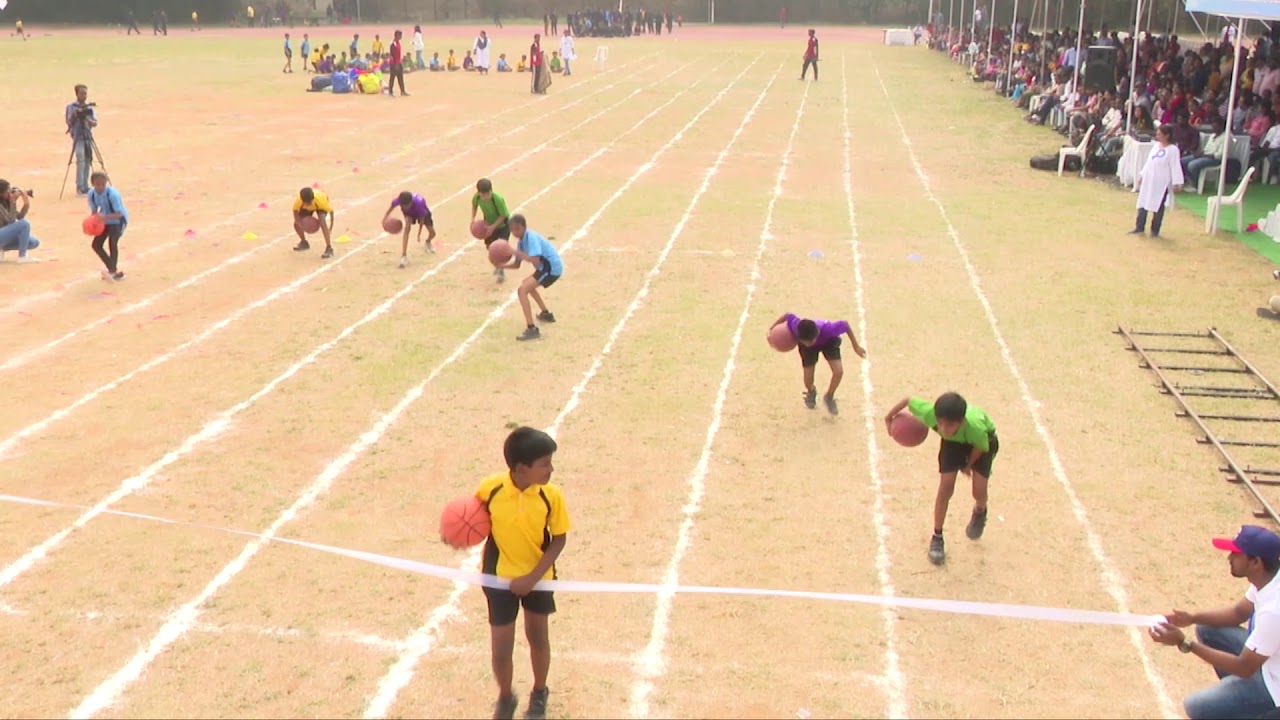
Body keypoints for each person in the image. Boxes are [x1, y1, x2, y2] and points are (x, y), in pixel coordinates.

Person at [471, 426, 569, 720]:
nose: (551, 469)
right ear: (521, 468)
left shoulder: (551, 496)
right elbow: (474, 522)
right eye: (545, 464)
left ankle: (539, 692)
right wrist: (456, 535)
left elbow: (559, 538)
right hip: (498, 579)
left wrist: (532, 578)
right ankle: (505, 696)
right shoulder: (490, 489)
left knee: (538, 638)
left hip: (538, 580)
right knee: (501, 648)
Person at [1150, 525, 1280, 720]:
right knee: (1207, 628)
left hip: (1273, 686)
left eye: (1236, 554)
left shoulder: (1274, 611)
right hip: (1266, 662)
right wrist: (1192, 617)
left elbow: (1244, 667)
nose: (1229, 557)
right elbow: (1238, 612)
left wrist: (1184, 643)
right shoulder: (1269, 579)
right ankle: (1238, 699)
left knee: (1197, 707)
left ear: (1256, 562)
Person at [882, 392, 998, 566]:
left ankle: (980, 510)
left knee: (979, 491)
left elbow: (982, 446)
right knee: (945, 489)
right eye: (940, 423)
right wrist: (888, 417)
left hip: (981, 446)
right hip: (953, 444)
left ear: (962, 422)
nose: (943, 429)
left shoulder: (976, 428)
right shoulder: (931, 415)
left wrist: (967, 466)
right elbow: (908, 400)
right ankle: (937, 537)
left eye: (950, 425)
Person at [766, 313, 866, 415]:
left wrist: (856, 346)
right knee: (808, 380)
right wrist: (772, 329)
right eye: (807, 342)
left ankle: (829, 396)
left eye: (812, 340)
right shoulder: (795, 326)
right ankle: (811, 391)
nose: (811, 342)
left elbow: (845, 325)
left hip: (829, 342)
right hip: (808, 350)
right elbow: (787, 315)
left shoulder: (828, 329)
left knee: (838, 371)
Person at [500, 214, 562, 342]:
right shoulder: (521, 243)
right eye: (512, 230)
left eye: (517, 229)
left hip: (551, 267)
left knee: (522, 290)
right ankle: (546, 314)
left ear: (524, 227)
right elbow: (517, 265)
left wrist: (515, 252)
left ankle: (532, 328)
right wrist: (501, 266)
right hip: (544, 267)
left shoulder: (531, 237)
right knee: (526, 285)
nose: (515, 232)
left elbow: (535, 259)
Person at [1131, 123, 1184, 239]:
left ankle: (1155, 230)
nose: (1157, 136)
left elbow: (1175, 166)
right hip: (1150, 178)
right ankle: (1139, 226)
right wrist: (1142, 175)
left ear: (1167, 136)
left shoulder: (1173, 150)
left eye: (1159, 134)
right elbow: (1149, 161)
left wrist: (1176, 183)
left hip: (1161, 181)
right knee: (1143, 202)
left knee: (1158, 205)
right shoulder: (1156, 146)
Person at [87, 172, 129, 281]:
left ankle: (113, 271)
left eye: (102, 184)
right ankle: (112, 269)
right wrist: (93, 222)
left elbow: (119, 214)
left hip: (119, 220)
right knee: (96, 244)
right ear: (92, 184)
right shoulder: (91, 194)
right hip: (106, 221)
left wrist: (103, 218)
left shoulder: (112, 194)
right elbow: (94, 210)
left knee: (112, 242)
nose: (100, 187)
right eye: (97, 184)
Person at [471, 178, 512, 282]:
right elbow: (474, 206)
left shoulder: (497, 199)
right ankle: (498, 265)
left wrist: (492, 227)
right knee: (490, 247)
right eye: (482, 195)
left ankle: (501, 271)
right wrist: (472, 220)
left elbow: (503, 215)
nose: (485, 197)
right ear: (479, 193)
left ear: (491, 191)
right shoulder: (477, 198)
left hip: (503, 226)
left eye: (487, 194)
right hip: (488, 224)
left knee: (500, 248)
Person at [383, 190, 436, 267]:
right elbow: (391, 208)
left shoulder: (419, 203)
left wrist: (419, 233)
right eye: (403, 206)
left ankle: (428, 241)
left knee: (433, 233)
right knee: (407, 228)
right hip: (409, 214)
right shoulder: (397, 200)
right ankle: (404, 256)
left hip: (422, 214)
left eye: (407, 205)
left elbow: (422, 219)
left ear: (411, 202)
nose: (405, 207)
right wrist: (384, 219)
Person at [65, 84, 99, 198]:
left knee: (88, 159)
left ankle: (85, 185)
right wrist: (76, 115)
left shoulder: (89, 108)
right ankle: (80, 187)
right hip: (78, 137)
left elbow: (95, 123)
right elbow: (69, 122)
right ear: (77, 94)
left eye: (85, 93)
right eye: (82, 93)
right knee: (80, 159)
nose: (84, 96)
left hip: (87, 136)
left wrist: (87, 119)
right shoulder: (71, 107)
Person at [0, 180, 40, 263]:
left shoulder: (5, 202)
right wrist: (13, 202)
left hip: (3, 235)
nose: (9, 193)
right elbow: (11, 220)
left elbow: (19, 217)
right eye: (7, 191)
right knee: (25, 224)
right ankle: (22, 256)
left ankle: (1, 249)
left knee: (33, 242)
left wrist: (26, 204)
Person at [292, 187, 335, 259]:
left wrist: (330, 228)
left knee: (322, 221)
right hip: (308, 207)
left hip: (320, 206)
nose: (309, 204)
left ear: (313, 199)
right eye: (307, 203)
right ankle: (304, 242)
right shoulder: (298, 201)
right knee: (296, 223)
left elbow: (331, 213)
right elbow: (295, 213)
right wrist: (300, 224)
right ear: (303, 201)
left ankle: (329, 248)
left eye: (310, 202)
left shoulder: (321, 201)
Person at [387, 30, 407, 97]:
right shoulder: (393, 43)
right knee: (392, 77)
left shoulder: (398, 43)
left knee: (400, 77)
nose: (401, 36)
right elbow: (393, 54)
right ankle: (390, 91)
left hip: (398, 62)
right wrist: (396, 64)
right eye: (400, 35)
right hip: (394, 63)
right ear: (396, 35)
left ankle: (402, 91)